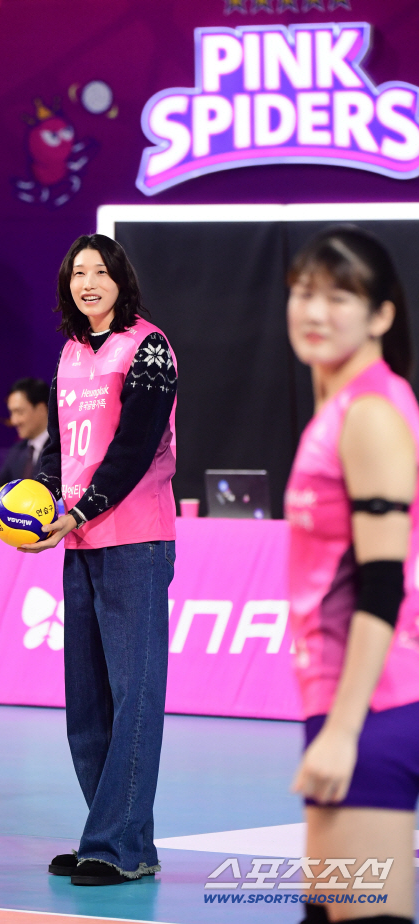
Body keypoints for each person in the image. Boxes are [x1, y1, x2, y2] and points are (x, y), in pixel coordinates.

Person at [24, 234, 178, 886]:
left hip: (136, 539)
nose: (88, 282)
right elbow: (60, 451)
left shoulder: (148, 348)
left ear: (120, 279)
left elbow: (136, 444)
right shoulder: (67, 354)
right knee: (87, 708)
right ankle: (116, 840)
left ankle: (114, 844)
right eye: (77, 273)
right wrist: (38, 507)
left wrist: (81, 510)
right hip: (81, 543)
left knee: (134, 699)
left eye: (99, 272)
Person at [285, 227, 419, 924]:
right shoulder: (339, 411)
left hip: (376, 706)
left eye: (341, 296)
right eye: (305, 292)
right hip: (351, 701)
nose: (315, 311)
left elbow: (382, 584)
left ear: (382, 315)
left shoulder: (370, 414)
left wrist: (344, 730)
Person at [0, 378, 50, 497]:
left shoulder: (62, 447)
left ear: (41, 409)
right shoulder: (17, 450)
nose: (14, 421)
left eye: (19, 412)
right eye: (11, 413)